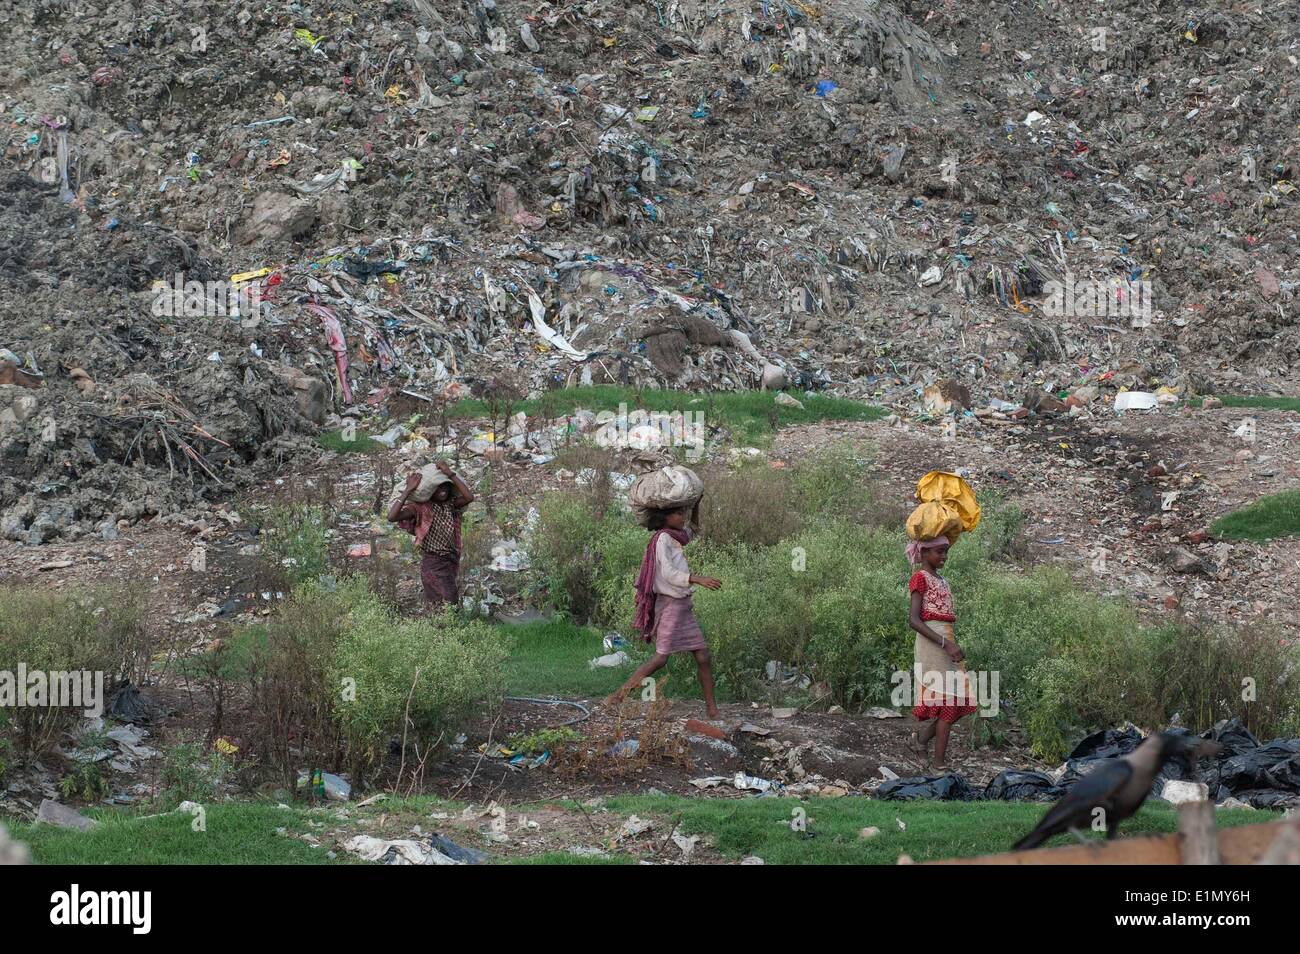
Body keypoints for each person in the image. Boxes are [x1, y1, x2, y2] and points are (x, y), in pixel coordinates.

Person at [605, 503, 721, 719]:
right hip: (670, 606)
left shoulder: (676, 536)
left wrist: (695, 505)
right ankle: (617, 696)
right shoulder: (662, 539)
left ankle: (712, 709)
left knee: (703, 656)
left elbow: (693, 529)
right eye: (678, 514)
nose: (682, 517)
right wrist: (698, 579)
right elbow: (667, 573)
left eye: (682, 513)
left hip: (684, 607)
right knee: (660, 659)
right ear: (664, 518)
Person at [906, 535, 976, 770]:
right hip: (931, 642)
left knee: (962, 703)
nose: (944, 556)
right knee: (948, 703)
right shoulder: (920, 578)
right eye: (939, 552)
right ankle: (938, 765)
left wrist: (950, 642)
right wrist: (946, 644)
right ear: (925, 553)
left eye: (946, 551)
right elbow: (914, 620)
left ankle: (921, 740)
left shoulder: (944, 580)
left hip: (946, 638)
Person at [387, 461, 474, 609]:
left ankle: (443, 628)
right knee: (448, 600)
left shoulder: (450, 505)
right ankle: (444, 628)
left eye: (445, 486)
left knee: (445, 601)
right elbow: (392, 517)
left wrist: (450, 474)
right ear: (429, 490)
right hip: (433, 561)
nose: (443, 490)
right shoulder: (420, 509)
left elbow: (469, 497)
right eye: (438, 487)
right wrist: (408, 490)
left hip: (450, 559)